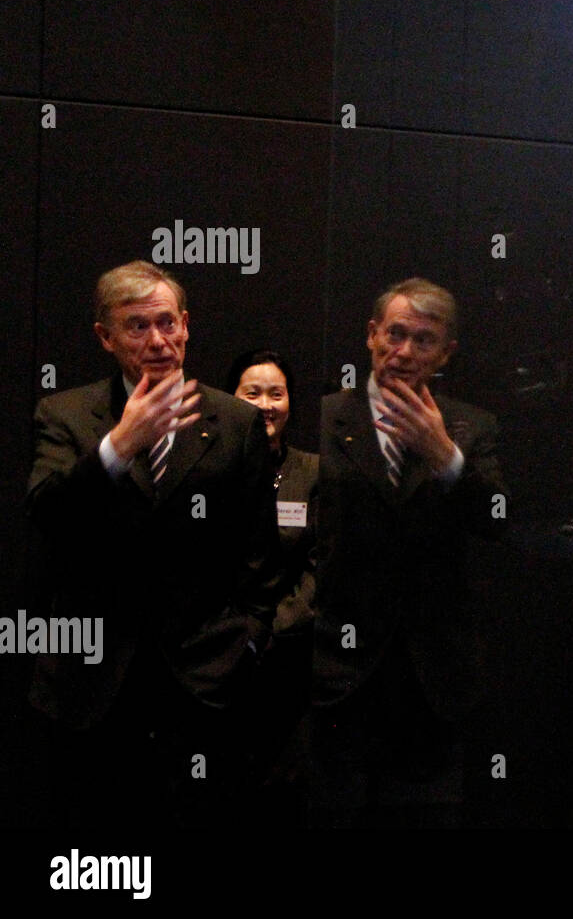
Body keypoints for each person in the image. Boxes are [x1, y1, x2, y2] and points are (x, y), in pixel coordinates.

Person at [26, 260, 279, 825]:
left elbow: (260, 553)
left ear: (186, 325)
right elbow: (47, 517)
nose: (158, 340)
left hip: (204, 680)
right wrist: (118, 446)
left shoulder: (235, 421)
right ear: (105, 337)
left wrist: (248, 641)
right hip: (92, 685)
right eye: (137, 326)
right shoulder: (65, 414)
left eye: (167, 323)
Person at [311, 277, 508, 825]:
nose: (404, 352)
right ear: (371, 335)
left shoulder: (471, 427)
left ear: (446, 353)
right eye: (395, 334)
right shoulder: (323, 419)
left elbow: (497, 521)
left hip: (432, 678)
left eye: (423, 340)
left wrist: (444, 456)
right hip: (338, 670)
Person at [226, 348, 318, 817]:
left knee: (284, 794)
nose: (265, 404)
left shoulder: (313, 472)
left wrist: (274, 628)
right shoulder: (209, 468)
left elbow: (322, 564)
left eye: (276, 393)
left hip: (289, 657)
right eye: (252, 393)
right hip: (221, 658)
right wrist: (237, 635)